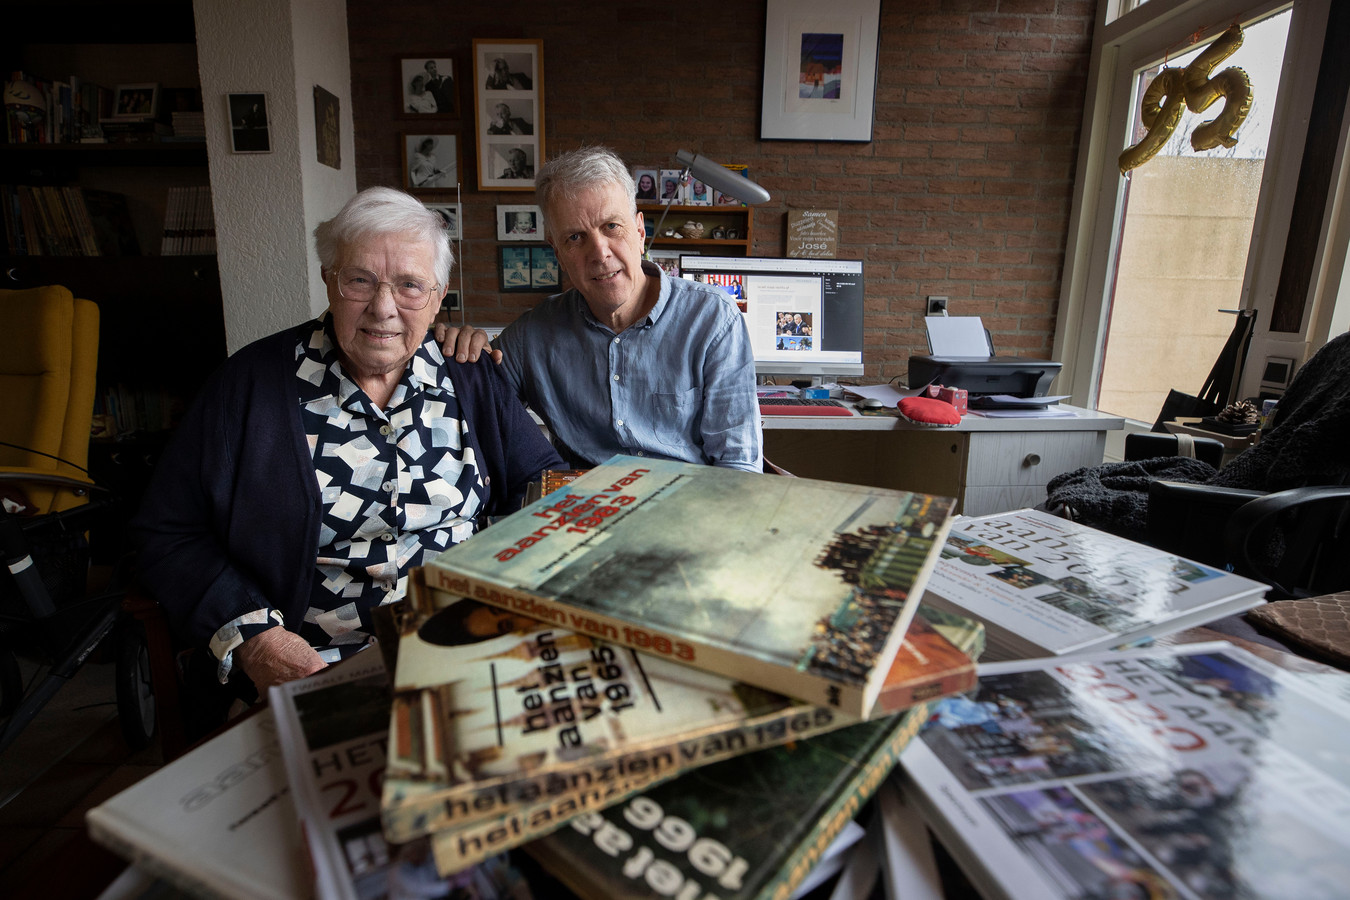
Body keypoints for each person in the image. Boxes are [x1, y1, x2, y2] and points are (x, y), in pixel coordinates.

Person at [133, 187, 562, 707]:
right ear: (329, 280)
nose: (383, 308)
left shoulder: (469, 378)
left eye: (409, 285)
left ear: (439, 293)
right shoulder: (248, 386)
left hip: (472, 647)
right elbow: (167, 530)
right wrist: (252, 637)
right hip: (316, 668)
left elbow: (542, 481)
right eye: (360, 280)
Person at [438, 146, 761, 473]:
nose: (599, 252)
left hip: (685, 511)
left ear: (639, 231)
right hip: (583, 514)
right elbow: (473, 412)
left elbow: (738, 468)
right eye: (576, 237)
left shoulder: (711, 318)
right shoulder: (532, 337)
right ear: (558, 254)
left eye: (611, 226)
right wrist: (462, 354)